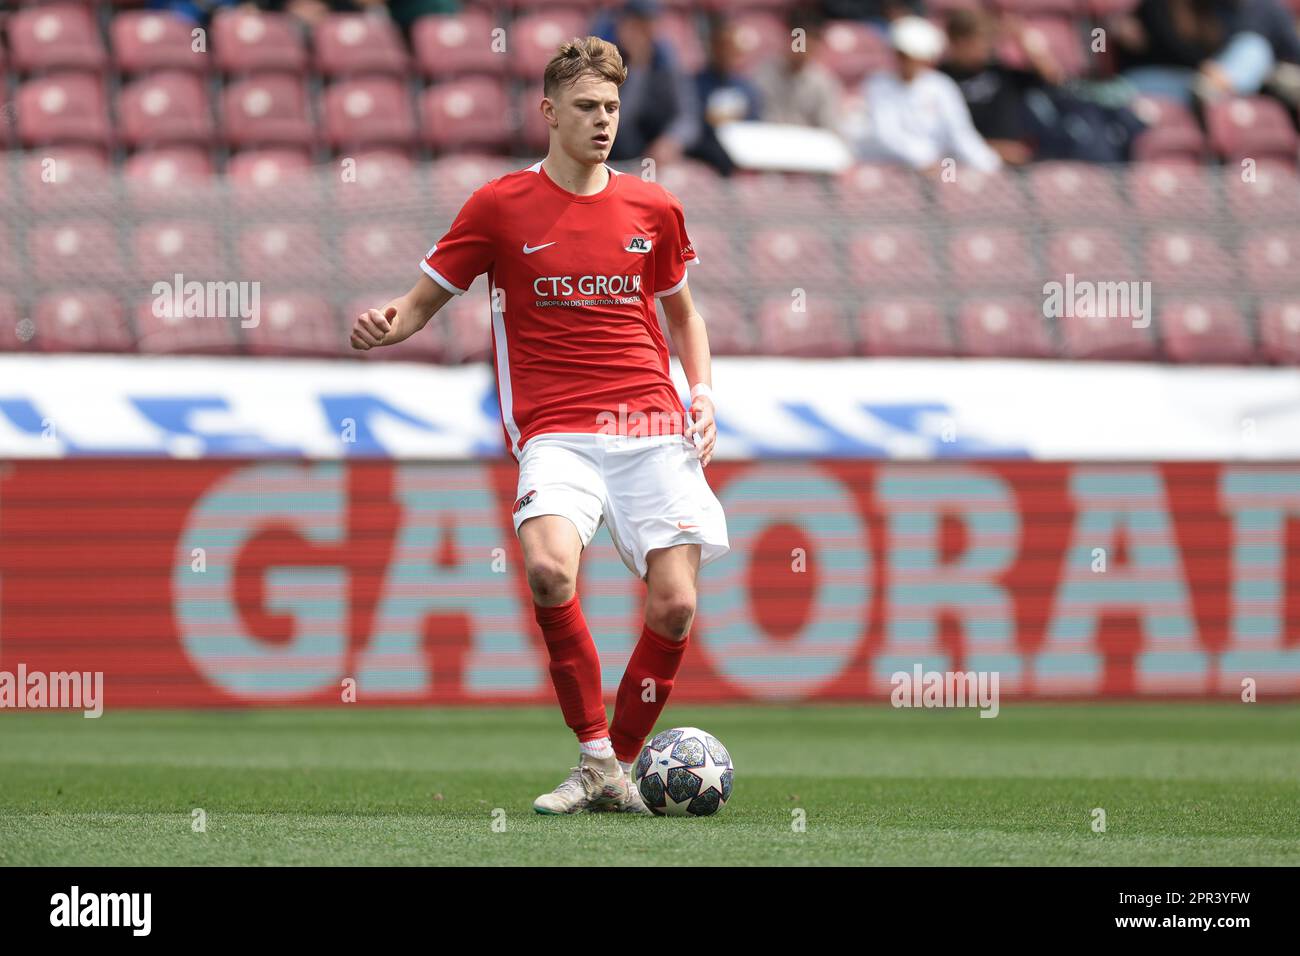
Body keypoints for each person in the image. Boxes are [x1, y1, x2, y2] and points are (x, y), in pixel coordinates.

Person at [349, 36, 730, 815]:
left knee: (676, 606)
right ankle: (596, 753)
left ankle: (612, 767)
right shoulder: (498, 206)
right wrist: (387, 325)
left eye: (613, 108)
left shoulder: (653, 206)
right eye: (587, 107)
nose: (603, 121)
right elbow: (421, 303)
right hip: (557, 429)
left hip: (652, 424)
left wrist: (704, 392)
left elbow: (684, 316)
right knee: (551, 570)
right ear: (549, 111)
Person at [854, 15, 1002, 174]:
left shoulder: (941, 86)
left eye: (913, 57)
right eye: (903, 55)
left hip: (933, 168)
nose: (908, 61)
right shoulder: (878, 85)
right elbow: (886, 134)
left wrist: (988, 163)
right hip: (889, 169)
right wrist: (925, 159)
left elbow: (960, 133)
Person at [594, 0, 702, 169]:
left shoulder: (667, 58)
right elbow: (617, 120)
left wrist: (672, 141)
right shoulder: (602, 56)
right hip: (618, 146)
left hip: (655, 142)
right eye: (636, 25)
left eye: (649, 24)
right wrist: (638, 67)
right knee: (623, 138)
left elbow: (687, 115)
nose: (643, 34)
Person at [689, 17, 763, 175]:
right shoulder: (695, 83)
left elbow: (753, 124)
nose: (727, 53)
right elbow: (694, 123)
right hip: (708, 145)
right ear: (713, 47)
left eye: (732, 49)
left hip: (740, 146)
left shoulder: (747, 88)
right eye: (722, 46)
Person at [753, 6, 843, 130]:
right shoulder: (763, 71)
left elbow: (829, 129)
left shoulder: (823, 82)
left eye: (810, 45)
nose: (803, 50)